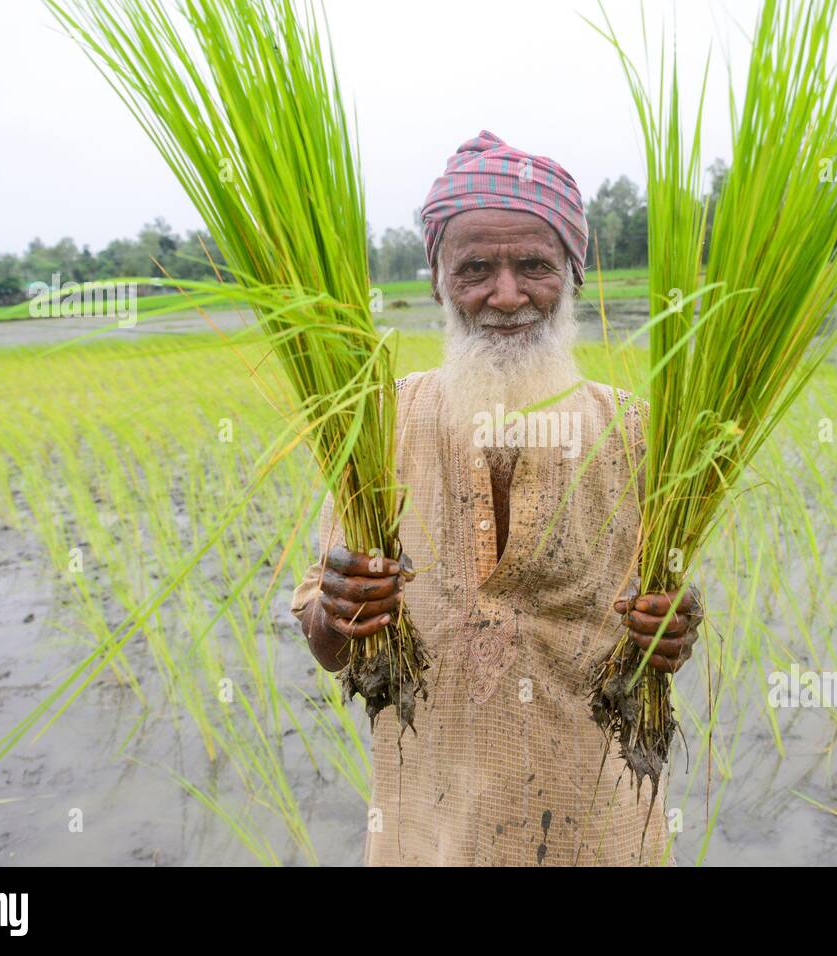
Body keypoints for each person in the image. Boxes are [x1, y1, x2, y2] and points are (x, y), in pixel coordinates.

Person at [291, 130, 701, 866]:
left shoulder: (639, 432)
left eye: (535, 266)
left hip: (600, 828)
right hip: (429, 829)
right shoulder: (377, 424)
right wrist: (337, 609)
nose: (507, 296)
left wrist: (674, 629)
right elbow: (323, 644)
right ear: (438, 281)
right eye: (476, 267)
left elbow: (667, 614)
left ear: (574, 275)